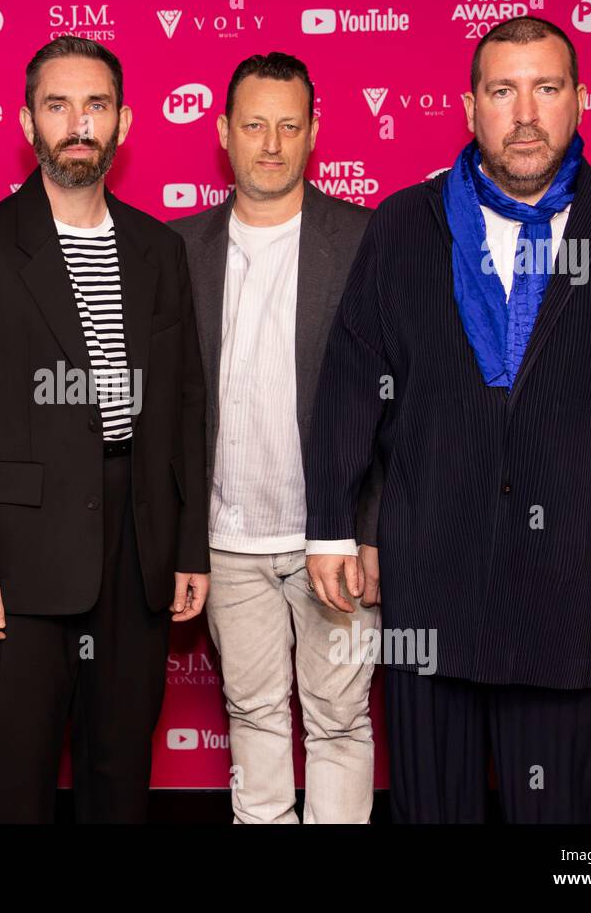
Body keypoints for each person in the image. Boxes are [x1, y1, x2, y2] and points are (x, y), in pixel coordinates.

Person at [306, 16, 591, 823]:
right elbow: (352, 383)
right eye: (503, 91)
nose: (525, 112)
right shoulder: (404, 226)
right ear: (470, 108)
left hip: (568, 593)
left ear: (578, 102)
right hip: (430, 588)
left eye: (547, 88)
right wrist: (329, 525)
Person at [0, 36, 210, 823]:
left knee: (118, 773)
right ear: (28, 123)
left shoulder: (158, 249)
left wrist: (188, 546)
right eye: (58, 106)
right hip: (17, 560)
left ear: (123, 121)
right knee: (12, 779)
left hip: (137, 545)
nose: (78, 123)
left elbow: (186, 404)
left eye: (95, 105)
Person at [169, 52, 381, 824]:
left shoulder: (366, 239)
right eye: (254, 125)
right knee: (252, 713)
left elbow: (398, 405)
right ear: (223, 132)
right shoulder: (177, 248)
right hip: (227, 541)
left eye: (289, 126)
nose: (270, 143)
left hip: (333, 540)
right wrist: (180, 538)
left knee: (339, 720)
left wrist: (370, 532)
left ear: (314, 133)